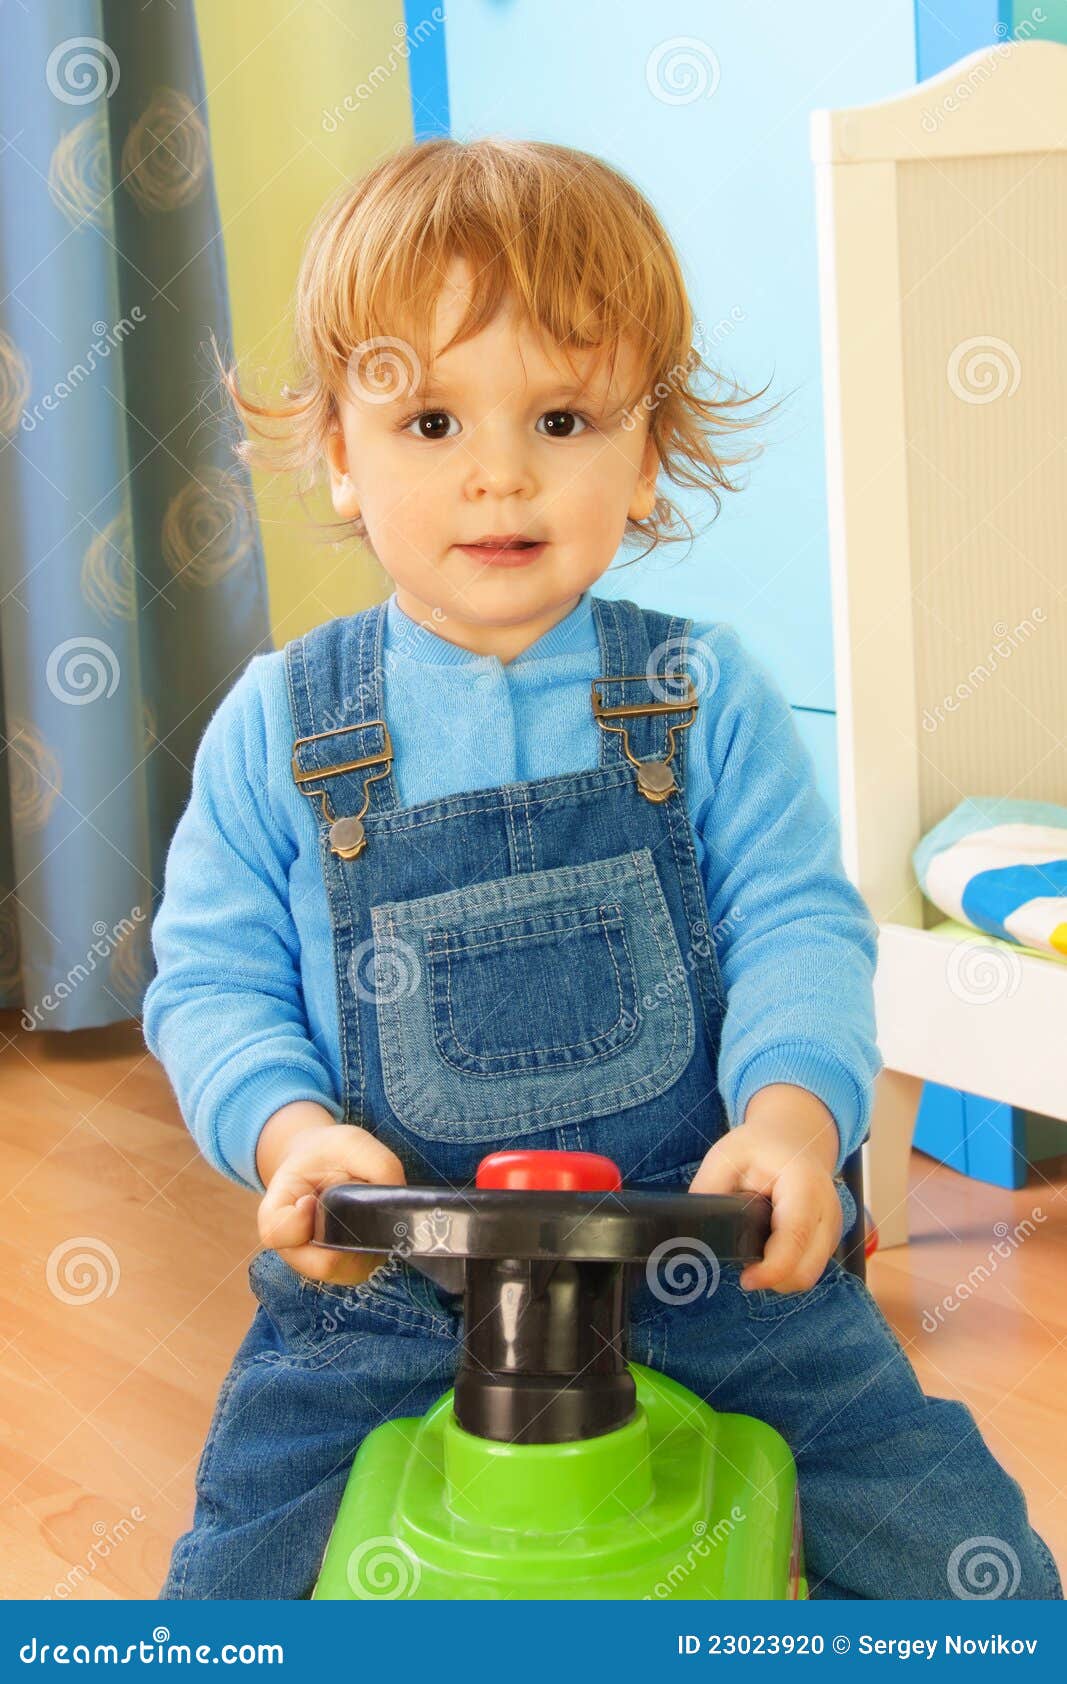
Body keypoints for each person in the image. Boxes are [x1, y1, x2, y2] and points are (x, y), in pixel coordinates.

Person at [143, 137, 1061, 1602]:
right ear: (335, 450)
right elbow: (210, 980)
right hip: (384, 1298)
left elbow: (798, 931)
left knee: (972, 1564)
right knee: (233, 1579)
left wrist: (784, 1119)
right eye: (431, 420)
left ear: (644, 451)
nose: (500, 471)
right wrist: (288, 1134)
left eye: (562, 416)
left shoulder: (700, 699)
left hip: (708, 1268)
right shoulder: (281, 729)